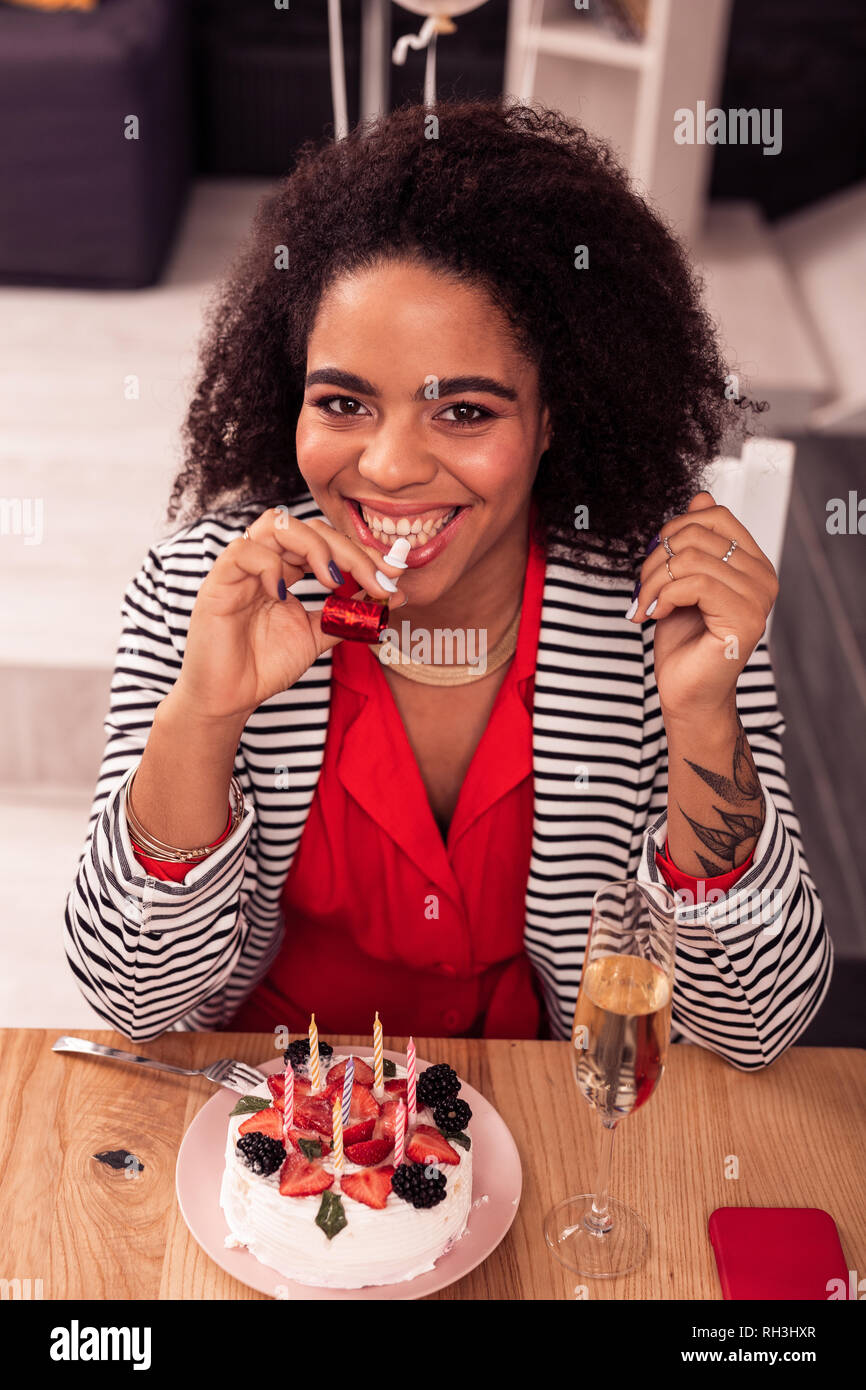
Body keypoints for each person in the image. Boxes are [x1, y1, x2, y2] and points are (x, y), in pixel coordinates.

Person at [64, 99, 832, 1067]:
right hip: (261, 1119)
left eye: (463, 411)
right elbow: (130, 994)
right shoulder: (200, 591)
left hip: (537, 1118)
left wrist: (702, 717)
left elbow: (751, 1027)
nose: (386, 468)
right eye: (342, 401)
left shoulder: (659, 620)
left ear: (554, 416)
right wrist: (203, 715)